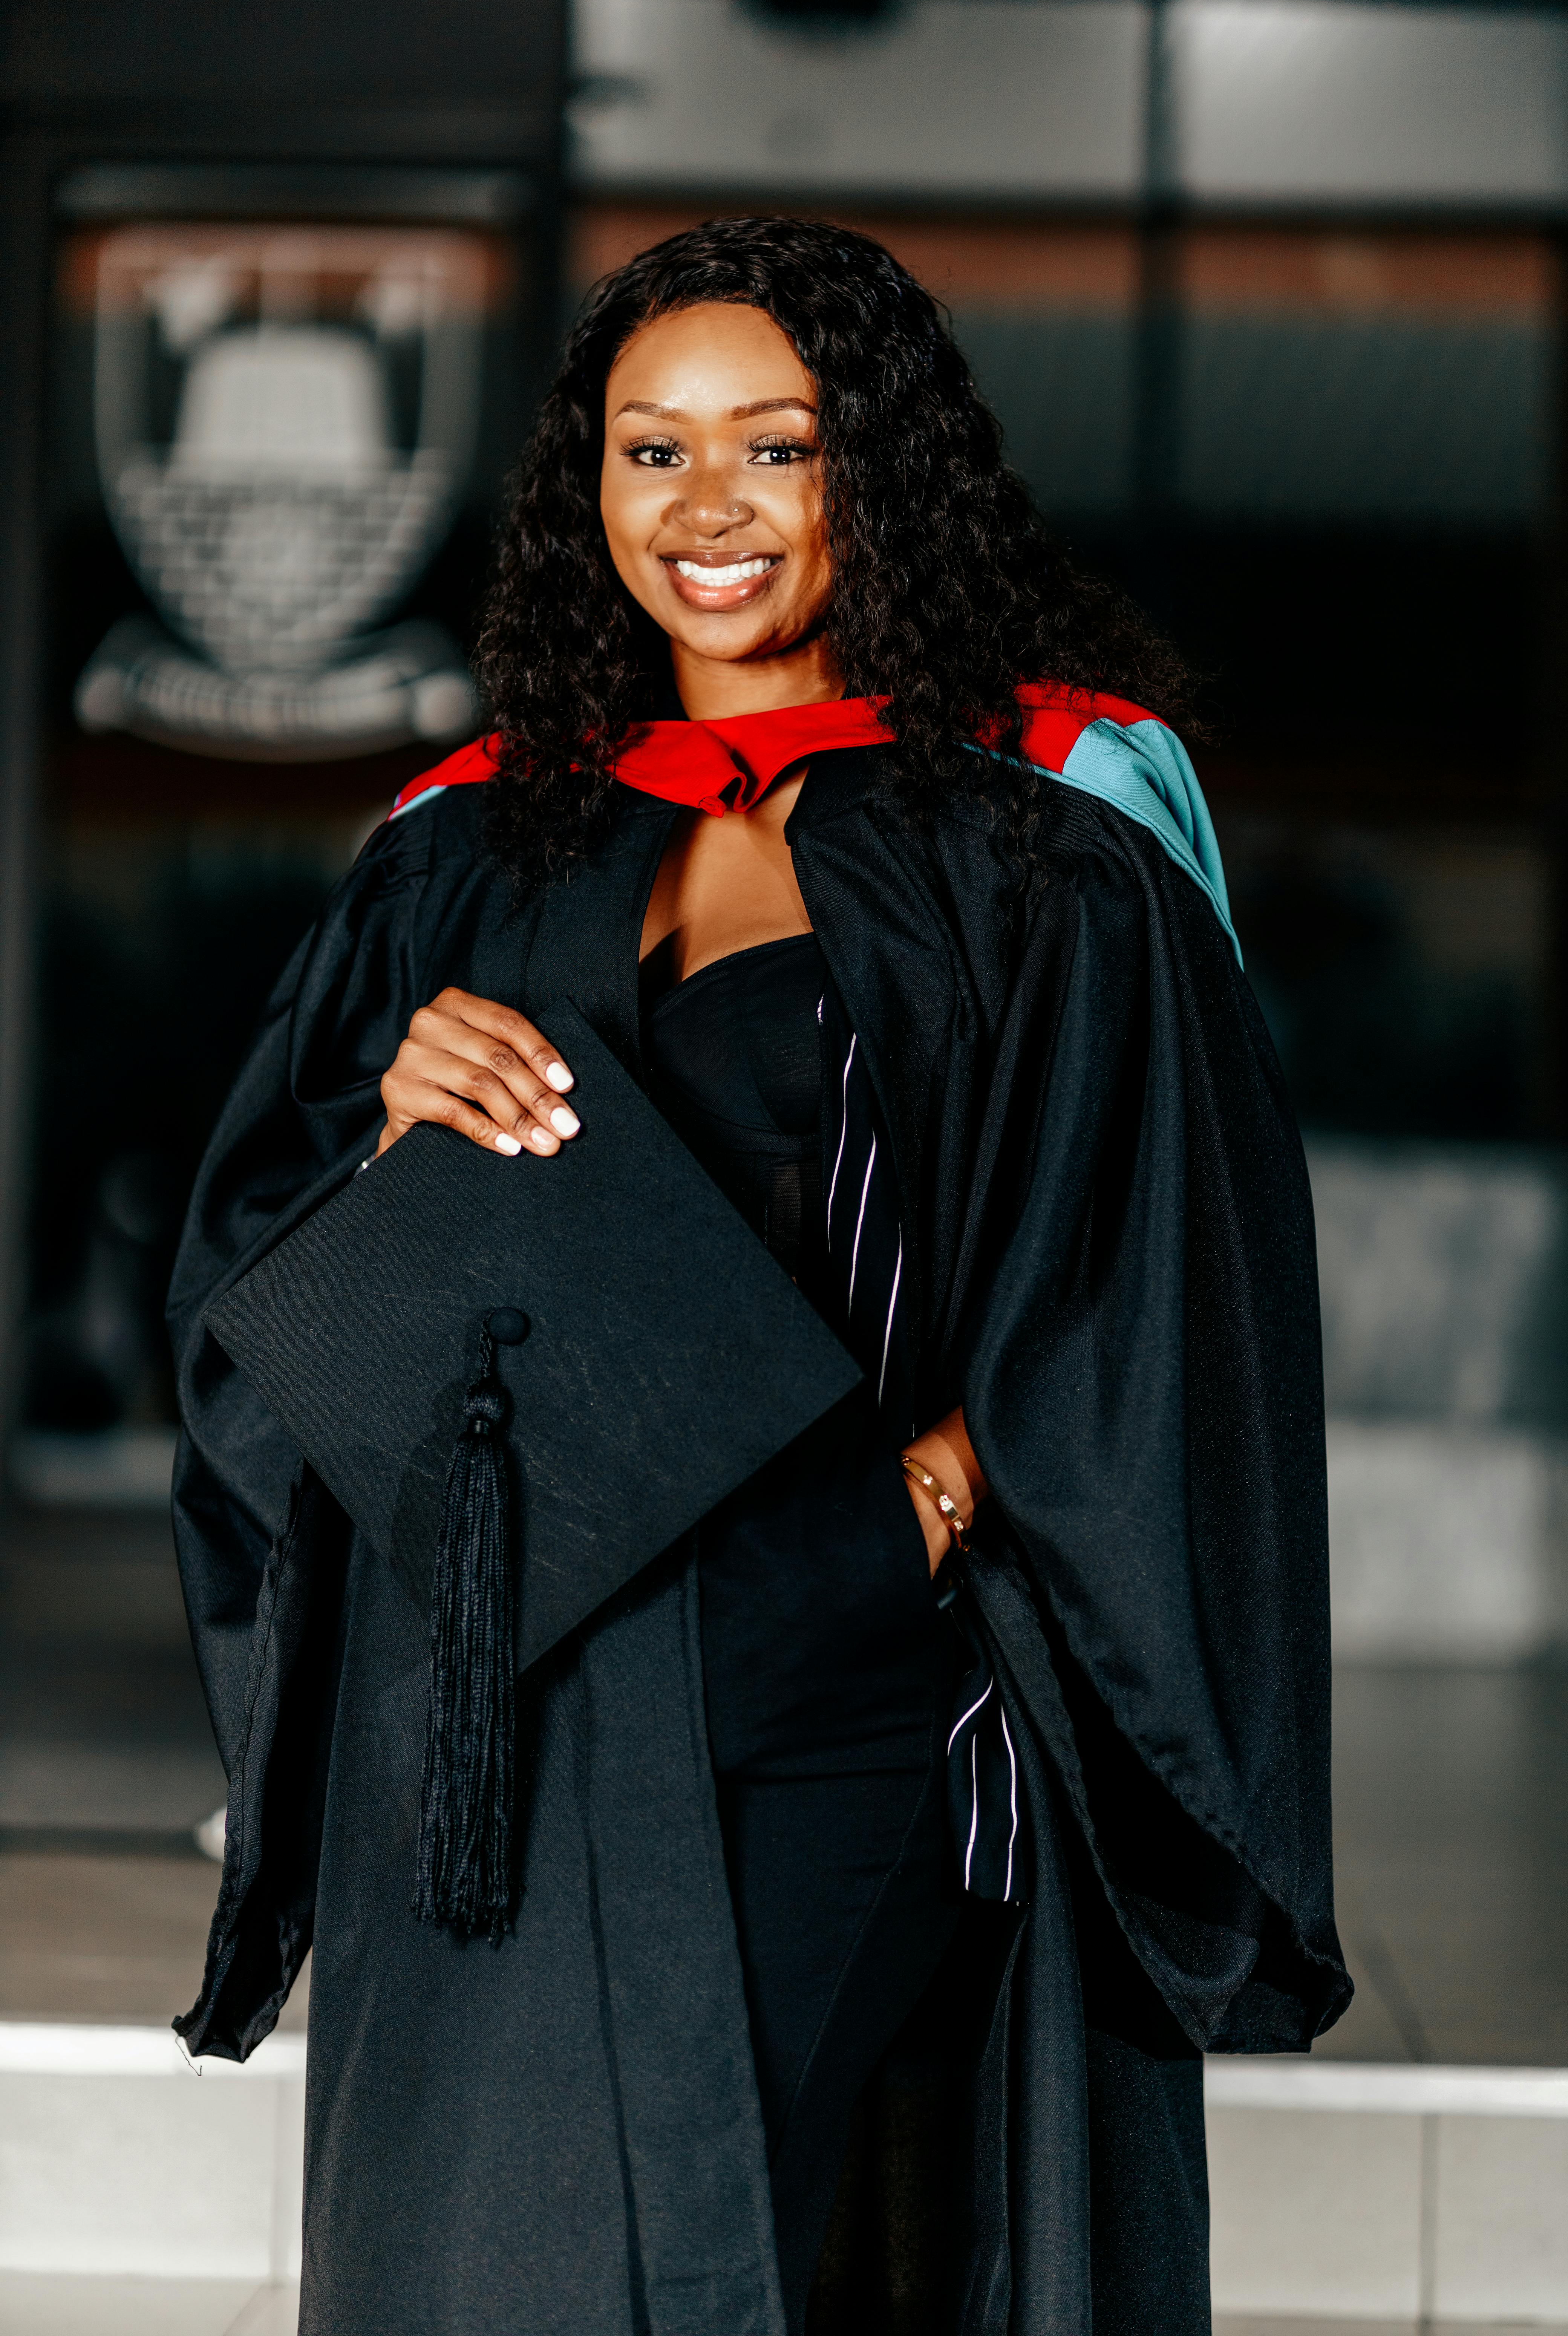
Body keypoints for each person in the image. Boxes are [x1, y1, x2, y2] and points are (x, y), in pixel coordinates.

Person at [169, 217, 1349, 2336]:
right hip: (504, 1706)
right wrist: (389, 1131)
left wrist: (930, 1502)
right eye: (653, 450)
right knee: (476, 2266)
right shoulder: (467, 843)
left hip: (853, 1673)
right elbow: (273, 1289)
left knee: (747, 2249)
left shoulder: (1050, 827)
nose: (706, 507)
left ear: (874, 471)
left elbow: (1172, 1253)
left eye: (776, 447)